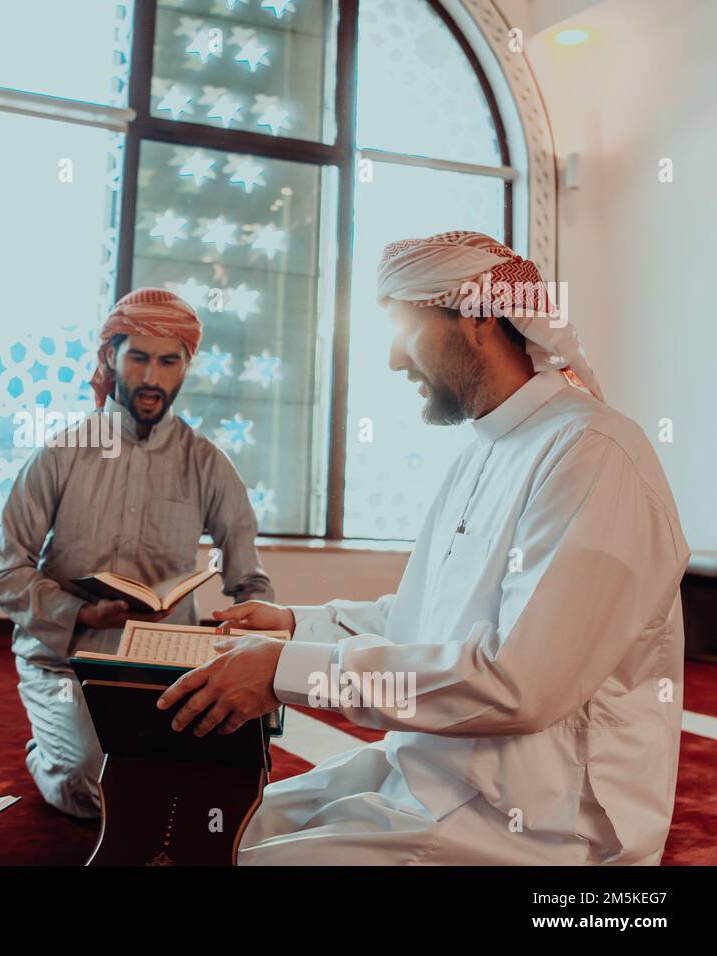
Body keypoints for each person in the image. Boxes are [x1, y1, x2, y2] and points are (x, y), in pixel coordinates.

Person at [160, 231, 689, 865]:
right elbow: (428, 619)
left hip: (540, 825)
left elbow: (516, 684)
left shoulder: (592, 456)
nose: (392, 360)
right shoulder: (485, 451)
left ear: (479, 317)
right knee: (205, 831)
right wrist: (296, 627)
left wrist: (284, 672)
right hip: (433, 771)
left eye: (403, 328)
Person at [0, 287, 274, 818]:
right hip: (65, 662)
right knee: (101, 788)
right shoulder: (60, 454)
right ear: (110, 358)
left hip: (166, 666)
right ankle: (49, 749)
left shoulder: (209, 464)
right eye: (138, 357)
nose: (151, 376)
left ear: (186, 367)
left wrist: (251, 633)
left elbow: (250, 581)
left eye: (168, 361)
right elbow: (5, 572)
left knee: (224, 784)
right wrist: (81, 611)